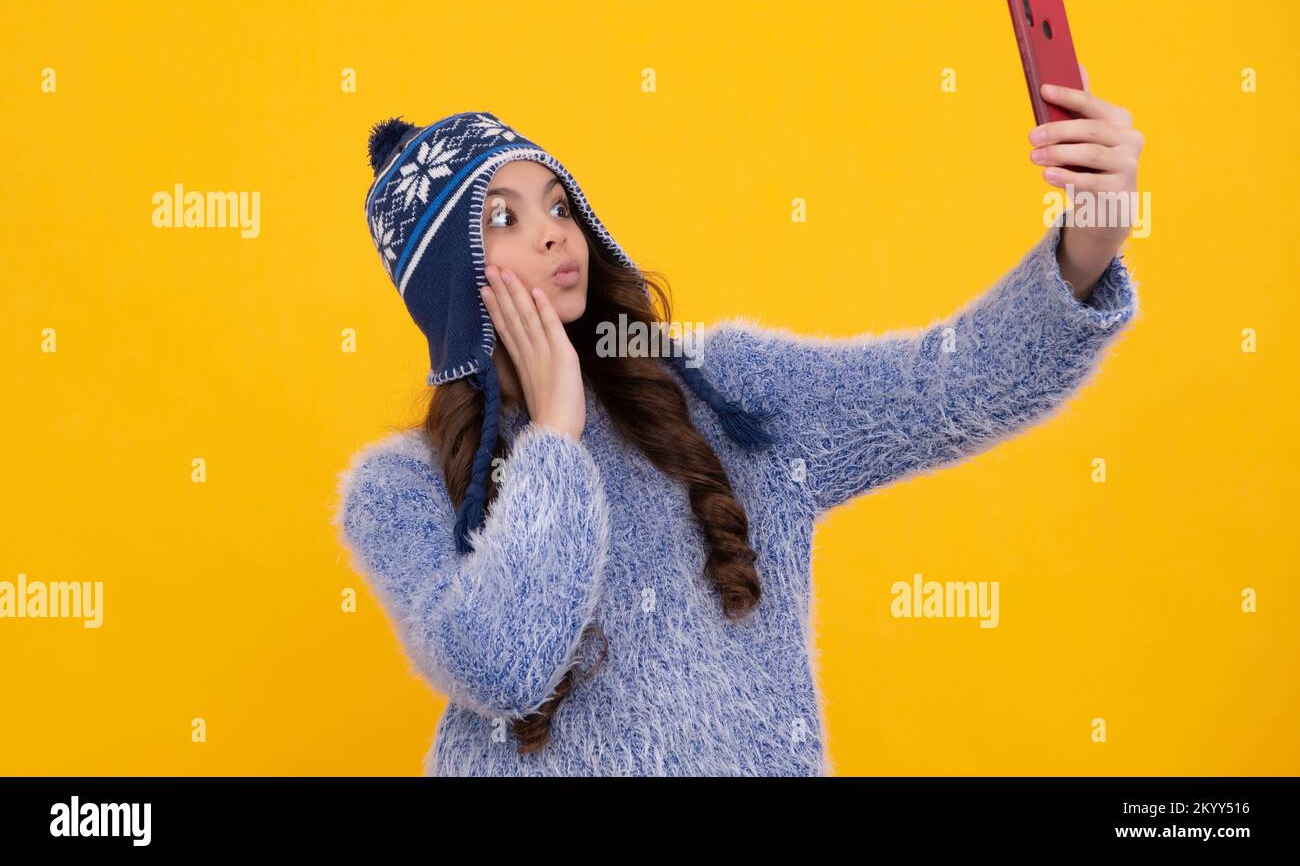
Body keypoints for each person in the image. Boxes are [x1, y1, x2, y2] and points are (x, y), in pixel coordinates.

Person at [333, 94, 1143, 776]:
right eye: (502, 218)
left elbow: (946, 388)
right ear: (446, 286)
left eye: (559, 203)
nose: (552, 232)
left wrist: (1086, 248)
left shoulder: (723, 393)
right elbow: (503, 665)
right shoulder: (397, 490)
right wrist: (554, 435)